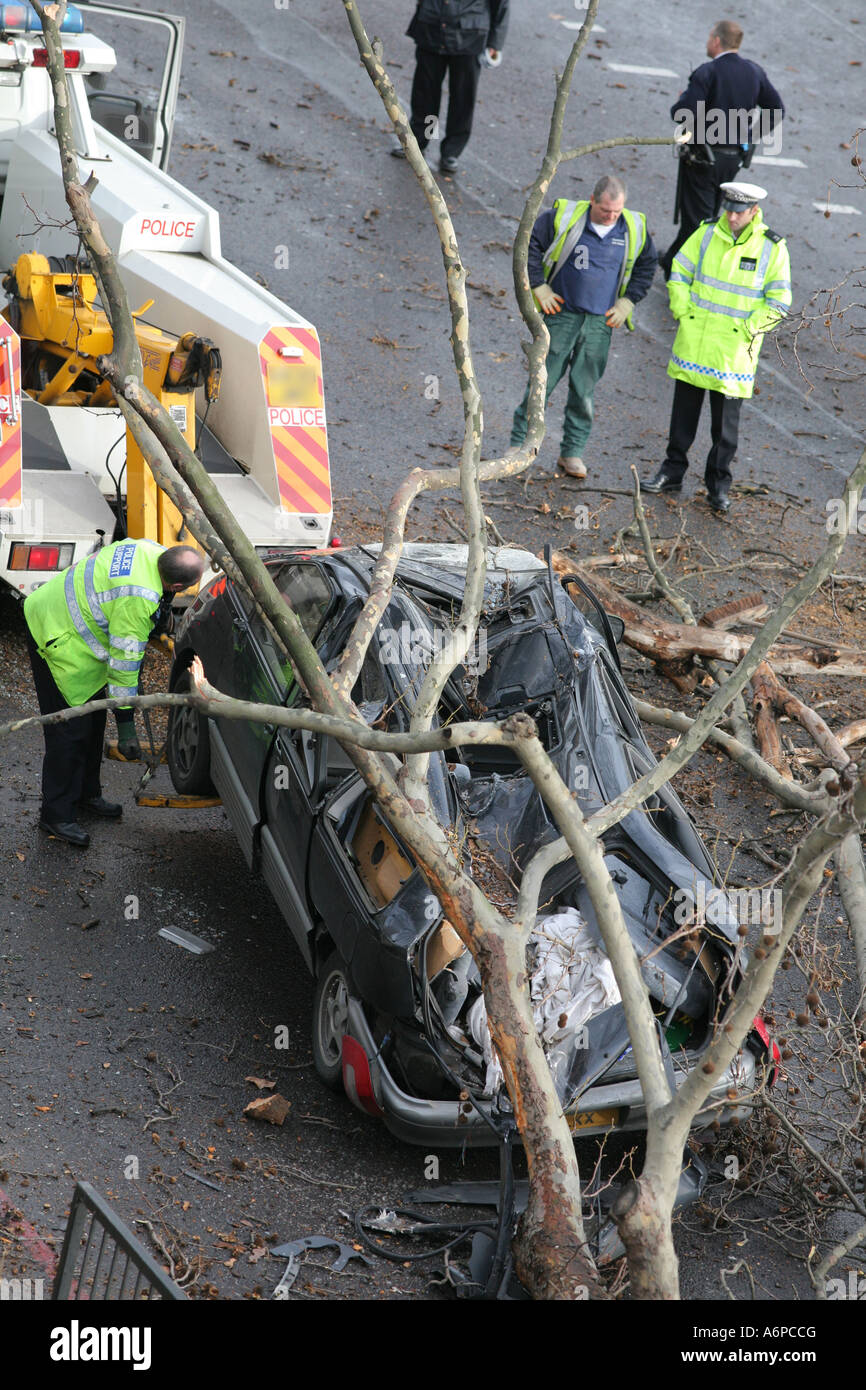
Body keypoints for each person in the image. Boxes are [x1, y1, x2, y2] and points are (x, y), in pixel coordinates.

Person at [24, 539, 205, 846]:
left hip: (64, 613)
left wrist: (159, 615)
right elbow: (123, 667)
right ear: (175, 583)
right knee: (69, 732)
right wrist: (126, 729)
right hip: (55, 632)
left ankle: (85, 794)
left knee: (92, 722)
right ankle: (56, 815)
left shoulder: (149, 548)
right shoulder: (137, 600)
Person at [645, 181, 792, 515]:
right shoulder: (707, 233)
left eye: (738, 212)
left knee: (724, 430)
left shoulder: (772, 248)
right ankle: (672, 472)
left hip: (733, 353)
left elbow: (780, 302)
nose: (731, 217)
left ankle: (718, 486)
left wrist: (749, 328)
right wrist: (682, 308)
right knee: (682, 419)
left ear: (754, 211)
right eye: (728, 209)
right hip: (695, 344)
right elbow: (679, 269)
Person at [509, 174, 658, 480]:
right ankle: (519, 445)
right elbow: (529, 245)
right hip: (561, 315)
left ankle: (571, 453)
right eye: (606, 211)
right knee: (541, 383)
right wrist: (538, 286)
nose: (612, 217)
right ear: (592, 200)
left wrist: (628, 301)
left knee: (584, 390)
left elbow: (647, 265)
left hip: (599, 324)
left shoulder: (633, 229)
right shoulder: (562, 219)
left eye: (617, 211)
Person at [659, 19, 784, 279]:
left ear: (717, 40)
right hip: (733, 158)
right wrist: (752, 135)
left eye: (709, 38)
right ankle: (672, 260)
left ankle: (690, 273)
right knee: (709, 212)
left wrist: (682, 101)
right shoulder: (754, 72)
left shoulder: (708, 72)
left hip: (703, 157)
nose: (708, 42)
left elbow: (683, 112)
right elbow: (776, 108)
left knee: (698, 219)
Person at [394, 0, 509, 175]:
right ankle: (421, 140)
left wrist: (495, 42)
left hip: (470, 36)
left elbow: (501, 4)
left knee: (462, 98)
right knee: (426, 95)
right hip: (432, 30)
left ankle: (451, 152)